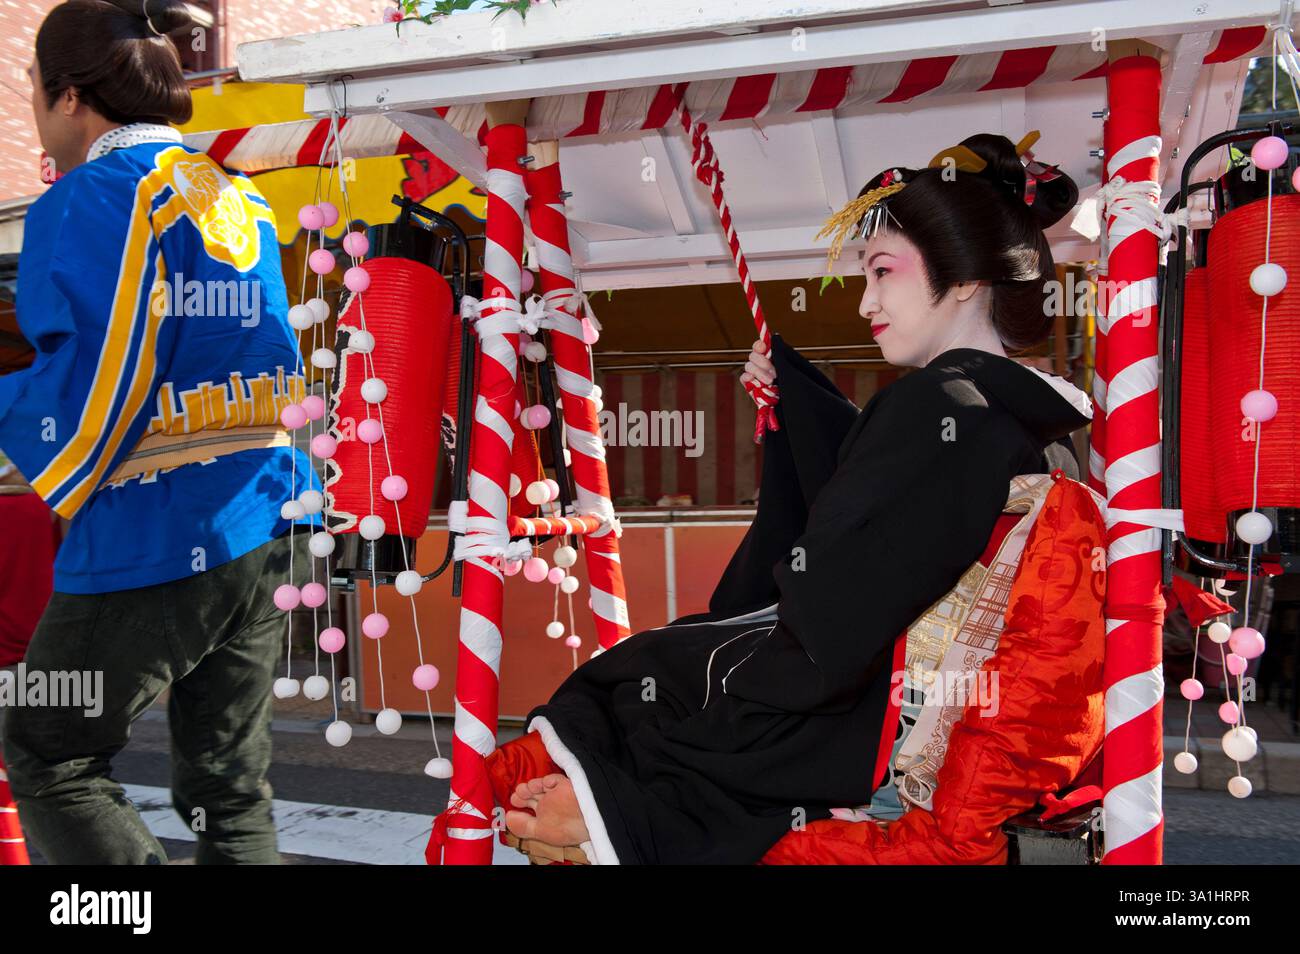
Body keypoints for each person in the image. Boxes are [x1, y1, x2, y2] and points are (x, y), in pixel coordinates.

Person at [482, 132, 1092, 865]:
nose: (866, 300)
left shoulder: (941, 404)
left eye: (882, 271)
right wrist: (804, 404)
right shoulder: (1018, 416)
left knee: (636, 680)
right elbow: (892, 514)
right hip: (938, 721)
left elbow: (836, 598)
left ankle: (605, 813)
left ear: (963, 279)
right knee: (668, 665)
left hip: (873, 730)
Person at [0, 0, 318, 864]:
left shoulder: (93, 197)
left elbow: (101, 370)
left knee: (47, 747)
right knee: (226, 781)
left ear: (68, 97)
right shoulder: (234, 195)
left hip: (162, 516)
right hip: (267, 512)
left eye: (30, 84)